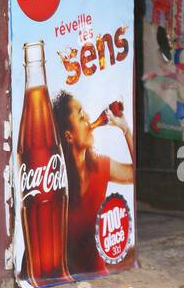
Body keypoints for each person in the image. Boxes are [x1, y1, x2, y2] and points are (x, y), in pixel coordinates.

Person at [51, 91, 134, 277]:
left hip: (100, 278)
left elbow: (134, 175)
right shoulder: (55, 184)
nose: (89, 118)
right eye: (81, 116)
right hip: (63, 284)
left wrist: (126, 130)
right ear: (69, 136)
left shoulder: (99, 166)